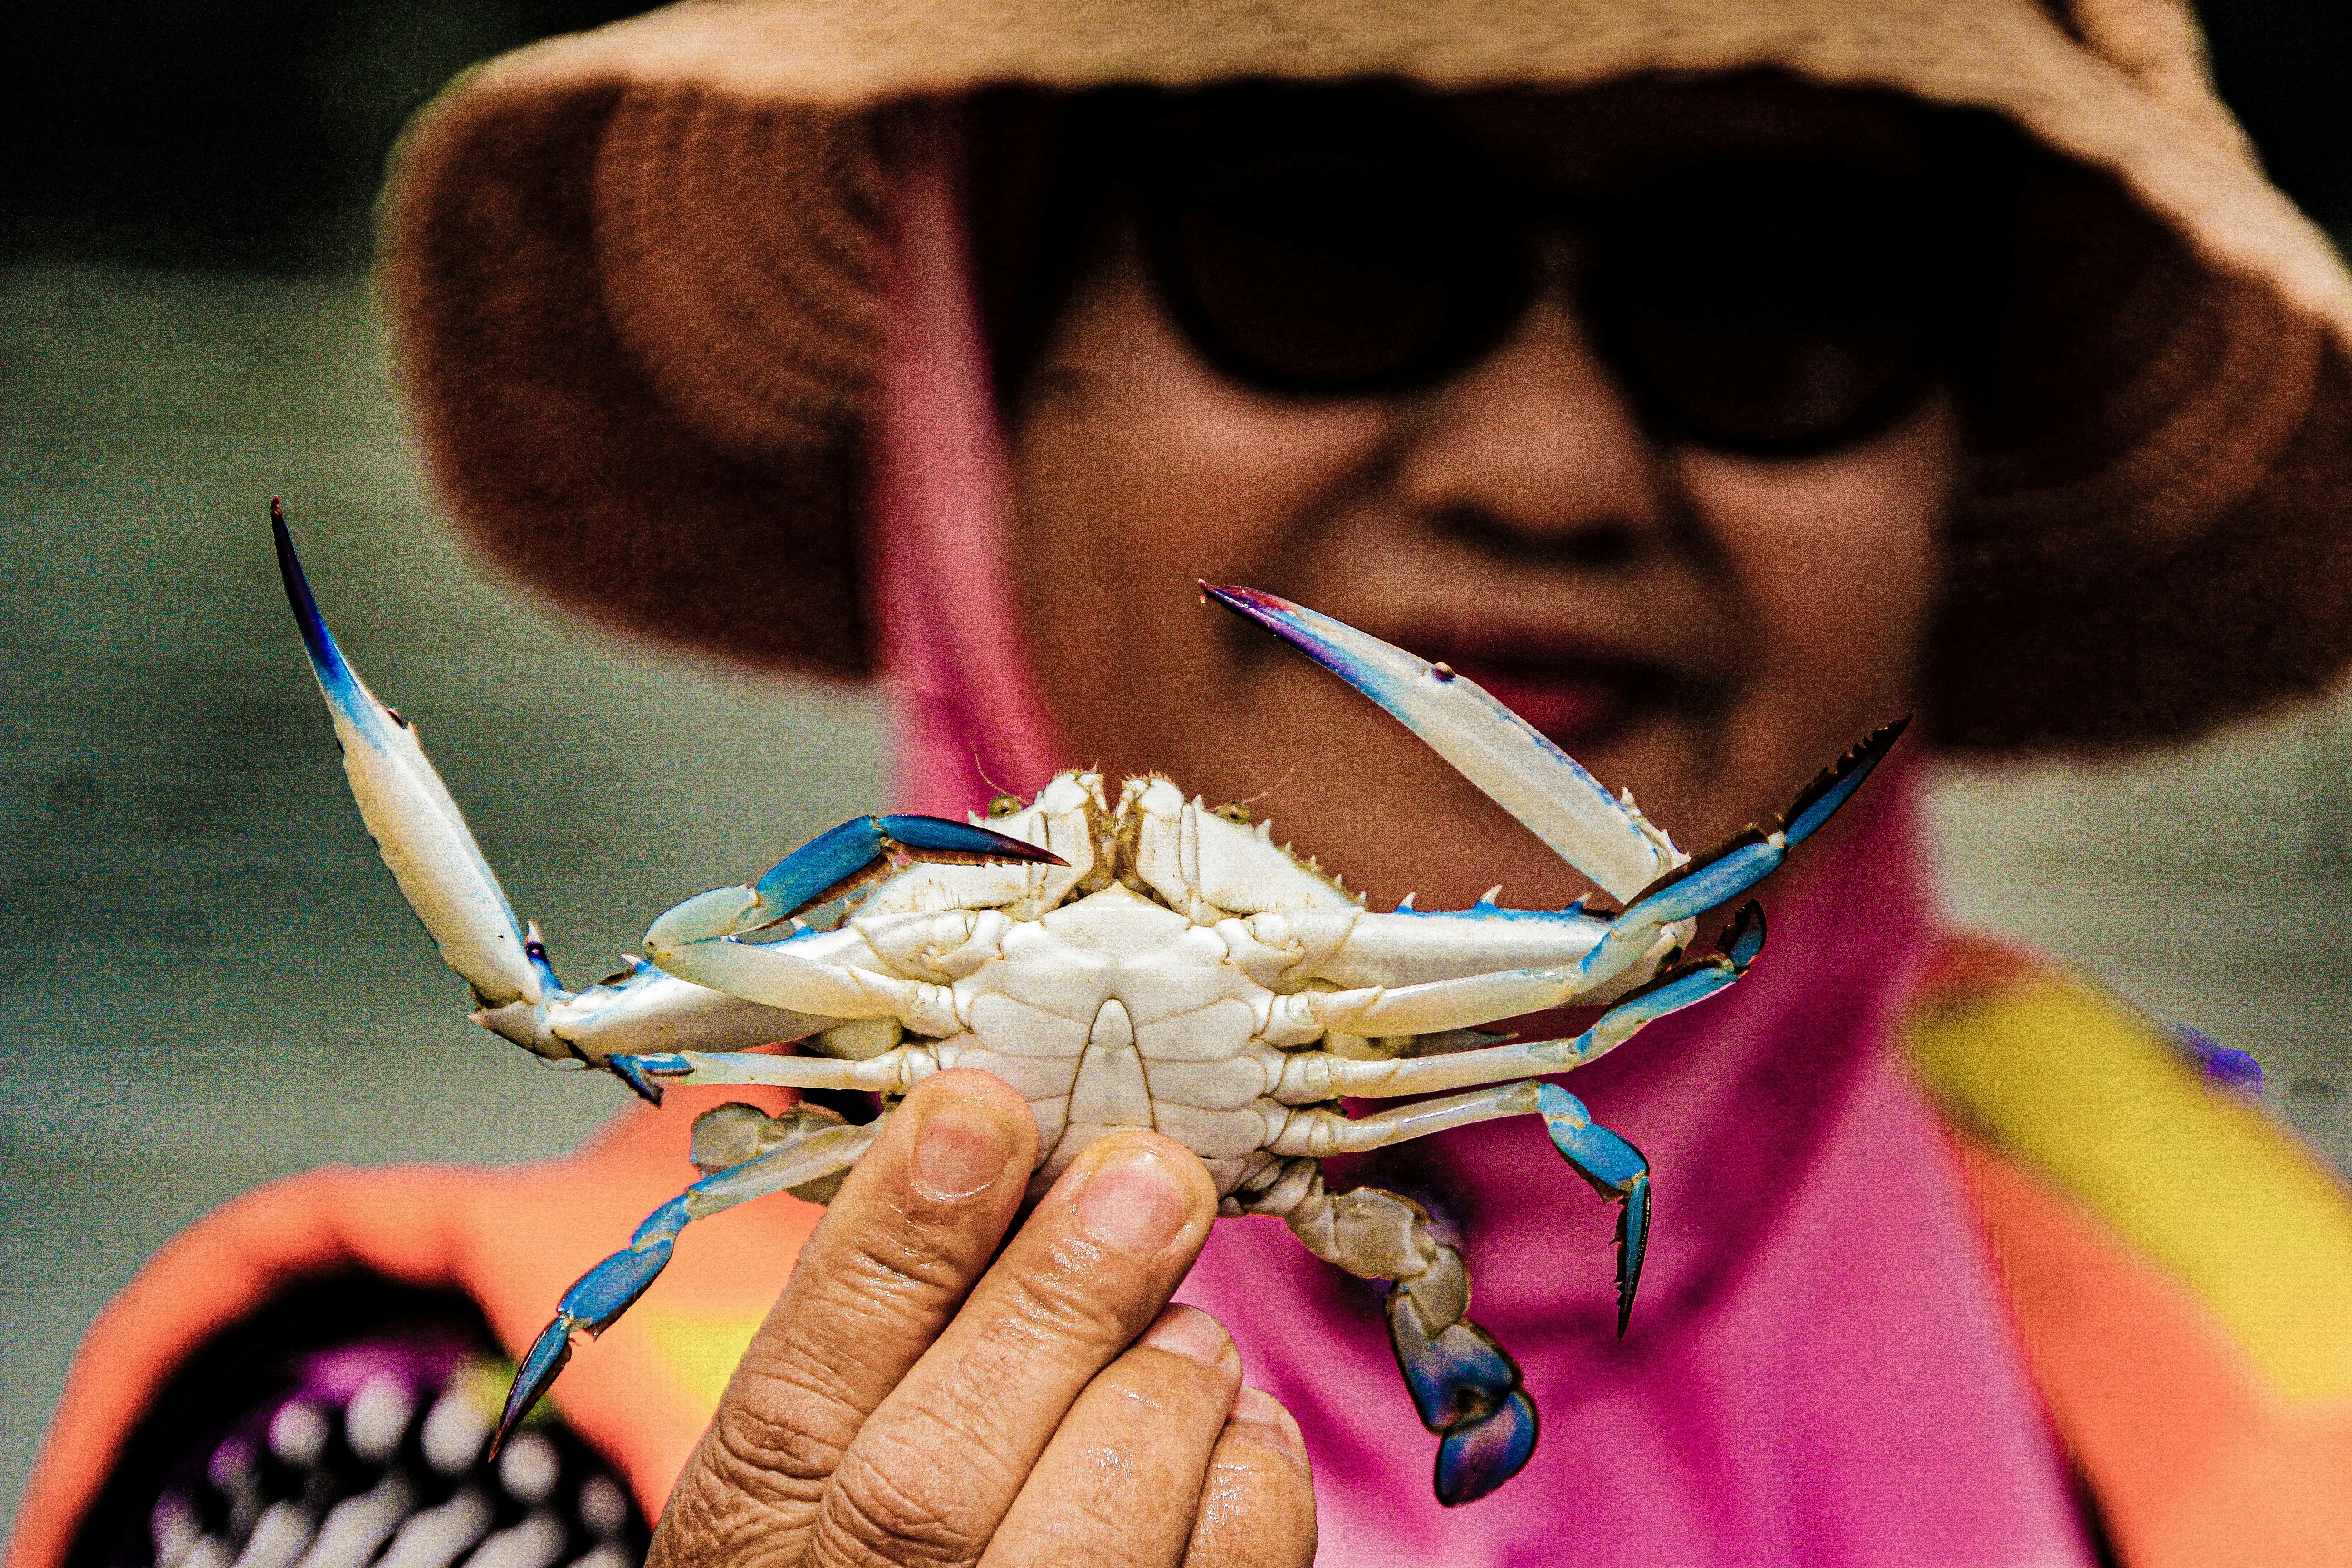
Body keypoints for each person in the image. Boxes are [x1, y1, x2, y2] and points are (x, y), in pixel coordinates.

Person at [13, 0, 2352, 1565]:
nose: (1547, 468)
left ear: (1954, 456)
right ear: (979, 364)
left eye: (1778, 294)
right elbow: (563, 1003)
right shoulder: (398, 1465)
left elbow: (1639, 953)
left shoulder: (2263, 1353)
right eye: (1321, 245)